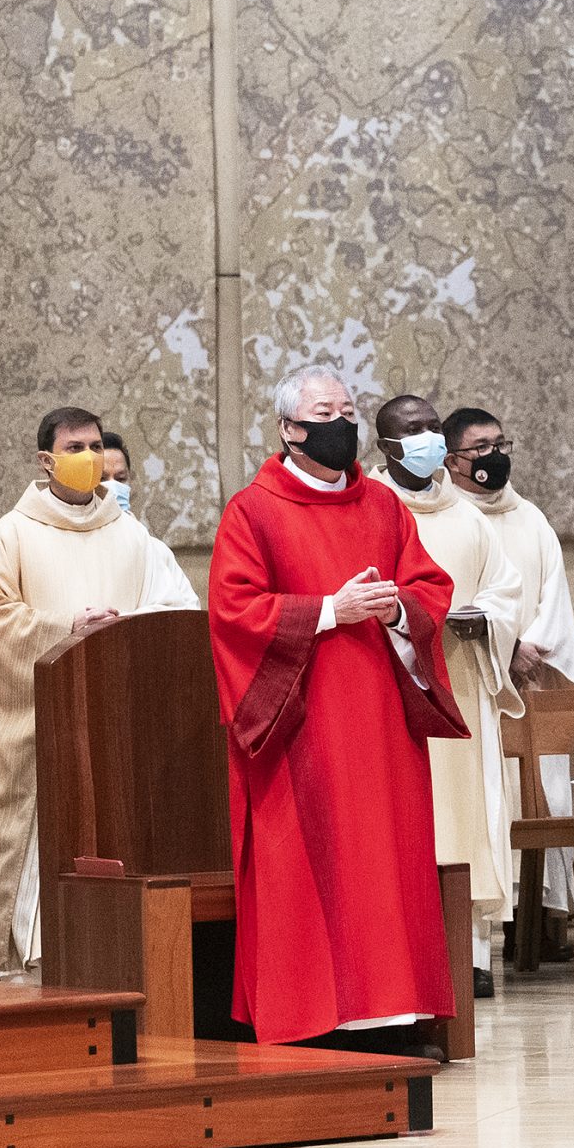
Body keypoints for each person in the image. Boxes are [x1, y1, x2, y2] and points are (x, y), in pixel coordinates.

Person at [207, 367, 464, 1053]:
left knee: (386, 865)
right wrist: (328, 610)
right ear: (289, 429)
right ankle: (316, 1019)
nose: (342, 425)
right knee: (309, 864)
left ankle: (395, 1015)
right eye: (325, 414)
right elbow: (233, 609)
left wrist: (399, 609)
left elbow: (428, 585)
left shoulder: (383, 506)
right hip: (302, 725)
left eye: (349, 412)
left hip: (380, 725)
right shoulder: (253, 511)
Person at [0, 405, 192, 978]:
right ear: (46, 461)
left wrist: (129, 630)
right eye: (74, 449)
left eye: (94, 446)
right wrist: (66, 626)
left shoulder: (129, 533)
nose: (89, 458)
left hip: (113, 722)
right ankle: (26, 966)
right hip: (42, 725)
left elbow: (170, 609)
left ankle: (107, 960)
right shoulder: (14, 533)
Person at [376, 394, 526, 997]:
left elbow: (505, 589)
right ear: (387, 447)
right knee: (408, 821)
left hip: (461, 680)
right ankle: (407, 954)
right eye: (413, 430)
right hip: (396, 688)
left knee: (467, 818)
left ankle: (469, 956)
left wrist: (483, 617)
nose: (429, 438)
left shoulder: (468, 517)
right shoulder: (373, 508)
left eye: (433, 428)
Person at [447, 403, 574, 959]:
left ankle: (537, 923)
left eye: (501, 444)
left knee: (545, 794)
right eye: (481, 447)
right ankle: (482, 935)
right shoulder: (447, 518)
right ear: (453, 459)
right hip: (473, 685)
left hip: (531, 686)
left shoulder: (531, 518)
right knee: (486, 805)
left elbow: (555, 596)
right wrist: (502, 650)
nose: (495, 455)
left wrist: (531, 646)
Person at [101, 427, 203, 603]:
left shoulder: (155, 549)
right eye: (102, 479)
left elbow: (188, 607)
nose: (113, 487)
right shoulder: (78, 547)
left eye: (120, 478)